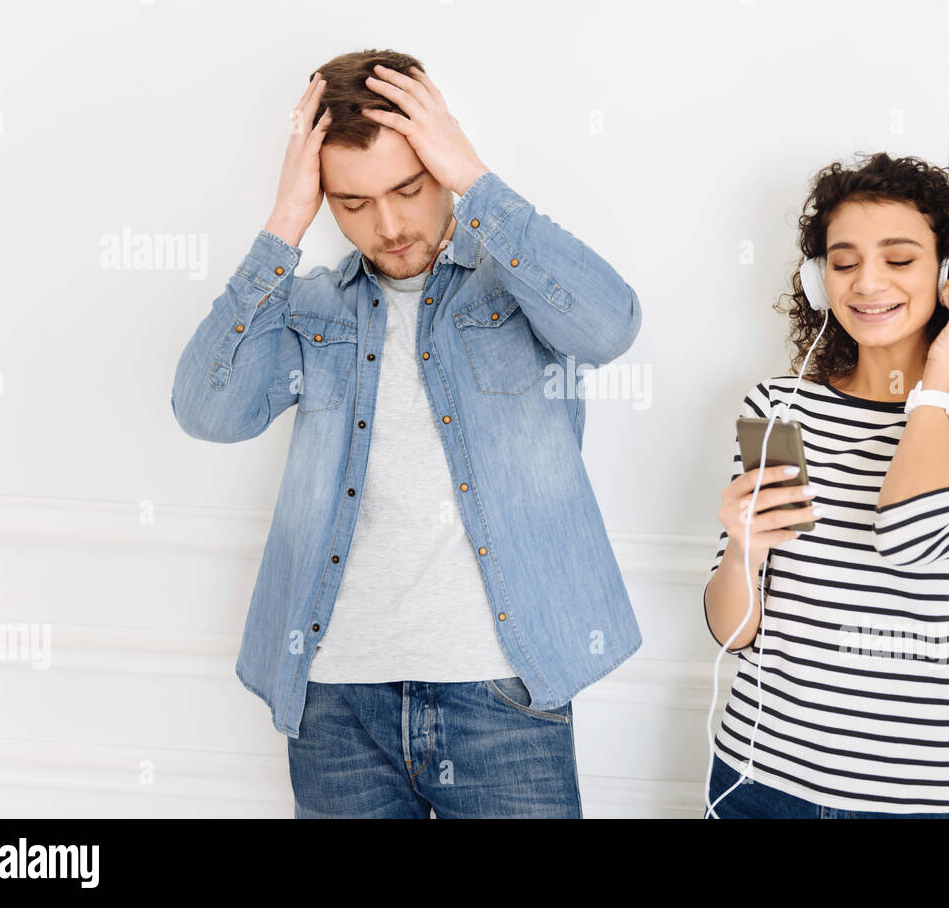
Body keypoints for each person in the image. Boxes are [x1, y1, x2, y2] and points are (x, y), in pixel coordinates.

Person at [170, 49, 642, 818]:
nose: (387, 225)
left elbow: (611, 325)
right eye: (351, 202)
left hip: (503, 693)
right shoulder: (314, 307)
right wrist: (284, 224)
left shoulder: (517, 284)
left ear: (438, 162)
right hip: (336, 703)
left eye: (409, 188)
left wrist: (476, 179)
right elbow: (206, 408)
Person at [702, 152, 949, 818]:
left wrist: (946, 361)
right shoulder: (779, 406)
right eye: (843, 261)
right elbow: (733, 631)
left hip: (915, 799)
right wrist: (741, 549)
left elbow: (913, 538)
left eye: (898, 259)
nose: (868, 282)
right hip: (757, 780)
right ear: (818, 279)